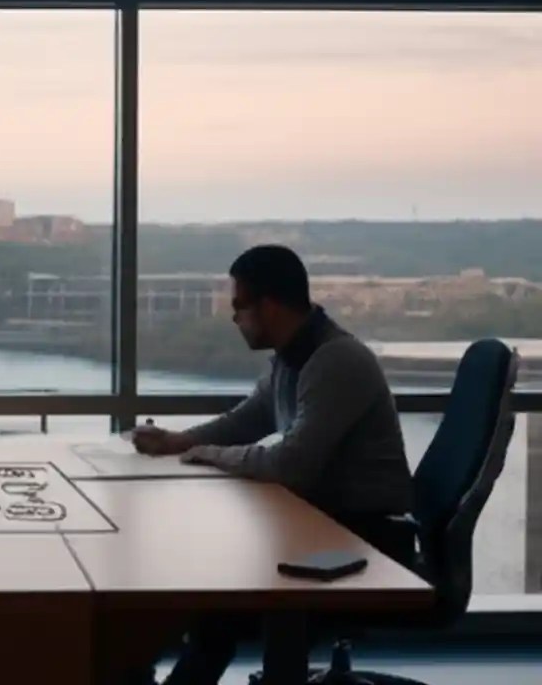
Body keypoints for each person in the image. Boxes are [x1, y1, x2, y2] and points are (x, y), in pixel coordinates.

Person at [130, 244, 415, 685]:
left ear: (269, 306)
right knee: (211, 597)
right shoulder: (292, 359)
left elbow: (290, 466)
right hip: (323, 525)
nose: (234, 318)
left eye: (240, 305)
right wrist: (179, 441)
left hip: (366, 540)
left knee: (215, 609)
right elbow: (249, 419)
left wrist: (206, 455)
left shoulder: (335, 360)